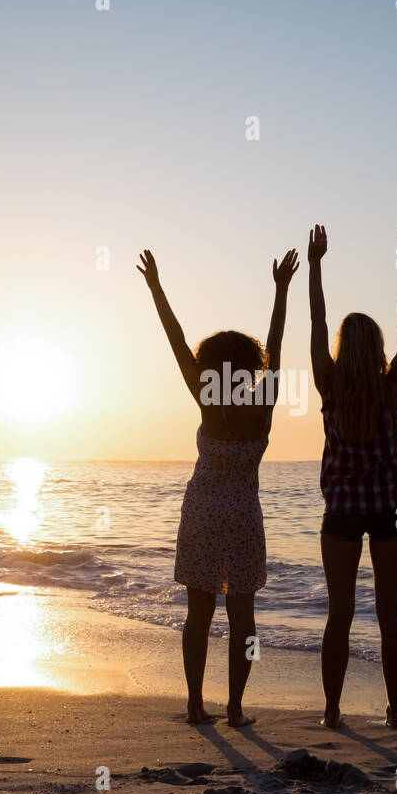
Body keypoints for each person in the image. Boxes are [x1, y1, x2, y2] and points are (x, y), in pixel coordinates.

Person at [138, 246, 298, 727]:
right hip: (243, 517)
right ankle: (234, 708)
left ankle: (194, 704)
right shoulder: (263, 403)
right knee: (243, 617)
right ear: (252, 366)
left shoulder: (205, 398)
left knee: (199, 613)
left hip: (203, 511)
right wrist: (282, 290)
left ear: (211, 365)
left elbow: (176, 340)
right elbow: (278, 344)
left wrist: (156, 289)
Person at [309, 224, 397, 730]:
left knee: (340, 615)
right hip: (391, 513)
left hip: (341, 515)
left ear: (341, 349)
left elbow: (316, 322)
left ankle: (333, 709)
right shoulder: (391, 386)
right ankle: (394, 709)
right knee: (389, 614)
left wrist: (314, 266)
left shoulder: (329, 385)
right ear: (375, 347)